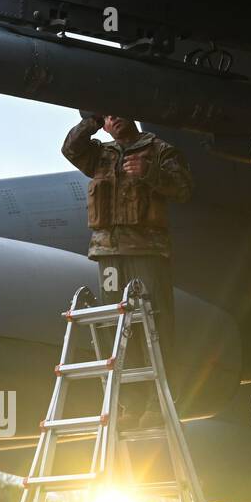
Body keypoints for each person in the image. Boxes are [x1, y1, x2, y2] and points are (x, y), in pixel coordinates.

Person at [62, 113, 192, 424]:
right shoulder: (100, 155)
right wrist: (90, 120)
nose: (114, 119)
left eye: (118, 112)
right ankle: (132, 402)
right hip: (108, 253)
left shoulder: (159, 149)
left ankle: (161, 399)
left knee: (155, 322)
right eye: (107, 117)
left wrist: (150, 172)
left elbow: (183, 188)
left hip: (146, 250)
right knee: (117, 325)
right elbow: (70, 149)